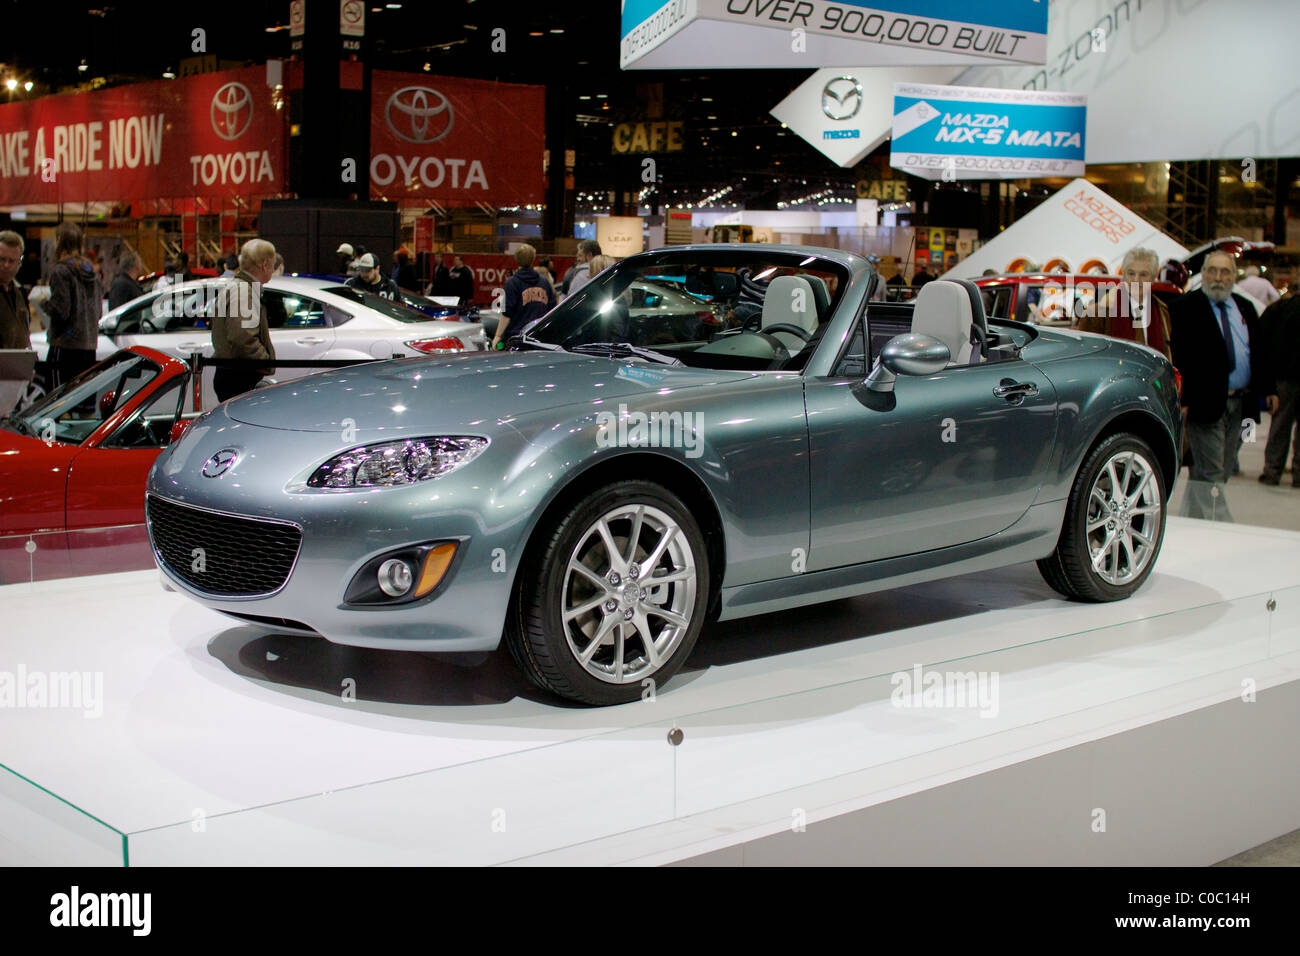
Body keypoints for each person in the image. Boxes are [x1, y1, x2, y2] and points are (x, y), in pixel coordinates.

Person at [1169, 250, 1277, 521]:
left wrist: (1270, 389)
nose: (1218, 277)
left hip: (1244, 406)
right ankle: (1221, 525)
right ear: (1203, 274)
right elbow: (1179, 356)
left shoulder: (1245, 308)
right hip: (1205, 404)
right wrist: (1182, 399)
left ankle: (1192, 520)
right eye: (1213, 271)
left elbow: (1259, 352)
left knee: (1219, 470)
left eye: (1225, 272)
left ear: (1233, 276)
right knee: (1212, 472)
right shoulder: (1186, 307)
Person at [1076, 247, 1172, 361]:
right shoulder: (1096, 314)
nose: (1136, 279)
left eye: (1143, 274)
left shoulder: (1162, 312)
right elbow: (1085, 359)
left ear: (1152, 278)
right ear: (1124, 276)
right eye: (1131, 273)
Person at [211, 238, 277, 402]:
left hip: (232, 373)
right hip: (238, 376)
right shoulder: (243, 291)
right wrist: (265, 362)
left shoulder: (239, 287)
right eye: (273, 265)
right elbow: (242, 337)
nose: (273, 270)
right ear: (264, 264)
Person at [46, 222, 103, 390]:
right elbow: (98, 312)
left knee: (57, 403)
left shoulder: (60, 271)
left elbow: (61, 311)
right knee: (84, 406)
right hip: (88, 346)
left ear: (58, 241)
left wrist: (42, 303)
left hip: (64, 346)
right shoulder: (92, 273)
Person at [1258, 290, 1300, 486]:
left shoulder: (1279, 309)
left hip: (1283, 379)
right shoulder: (1280, 310)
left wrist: (1269, 385)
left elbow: (1264, 345)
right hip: (1287, 377)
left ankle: (1272, 471)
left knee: (1280, 426)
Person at [492, 243, 555, 348]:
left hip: (517, 338)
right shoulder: (544, 282)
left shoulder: (512, 283)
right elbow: (552, 308)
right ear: (533, 259)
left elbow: (506, 314)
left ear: (516, 259)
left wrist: (497, 336)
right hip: (539, 337)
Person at [0, 230, 31, 350]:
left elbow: (24, 332)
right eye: (2, 259)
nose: (6, 265)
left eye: (11, 261)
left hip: (19, 364)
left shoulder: (20, 293)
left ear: (19, 262)